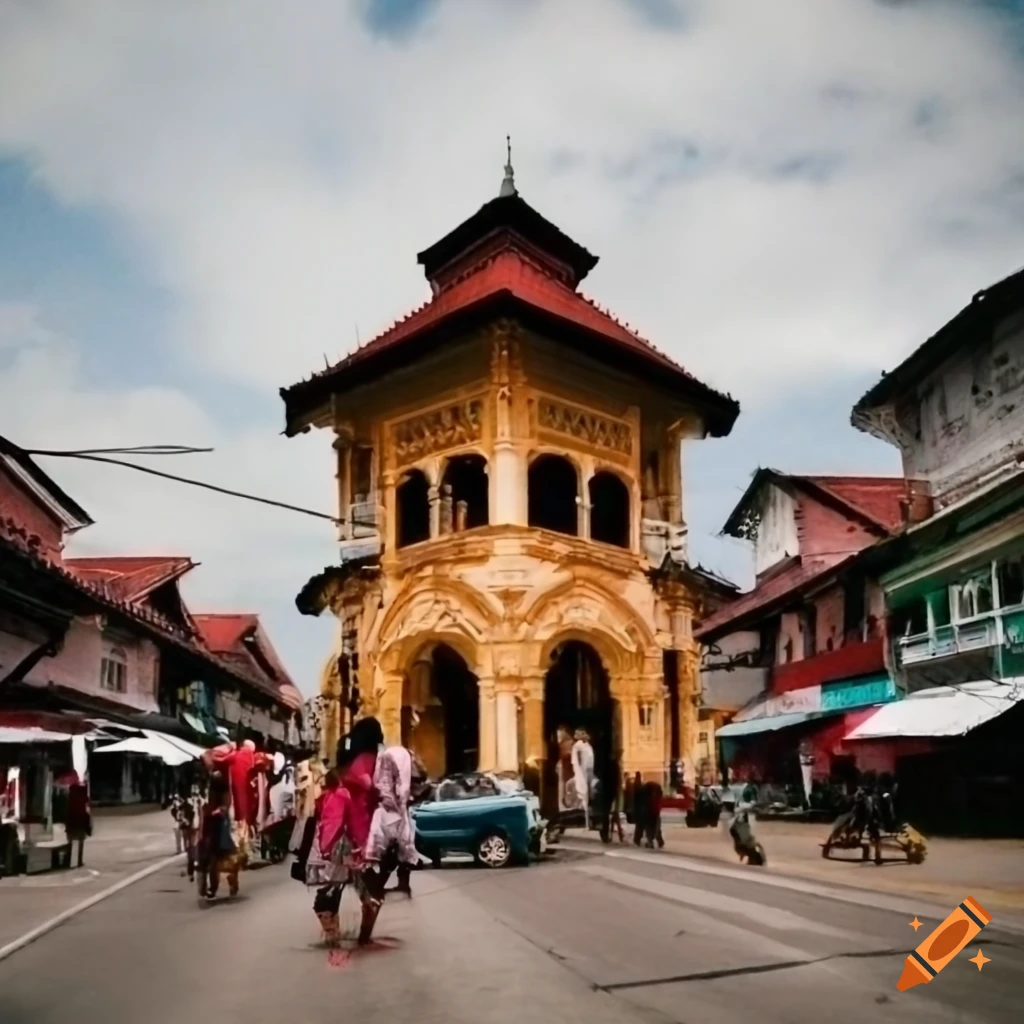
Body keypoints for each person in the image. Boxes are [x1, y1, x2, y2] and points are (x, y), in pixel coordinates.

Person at [336, 716, 385, 945]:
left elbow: (366, 783)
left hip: (355, 827)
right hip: (374, 828)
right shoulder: (377, 759)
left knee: (353, 880)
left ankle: (349, 931)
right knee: (371, 883)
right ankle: (365, 931)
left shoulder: (356, 761)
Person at [364, 745, 422, 899]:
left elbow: (383, 786)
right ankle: (402, 882)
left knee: (391, 848)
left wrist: (392, 803)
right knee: (401, 846)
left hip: (391, 810)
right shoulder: (406, 757)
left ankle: (379, 885)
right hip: (400, 809)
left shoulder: (387, 758)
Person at [198, 773, 240, 900]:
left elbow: (226, 807)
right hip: (211, 827)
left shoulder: (224, 790)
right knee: (212, 859)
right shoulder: (207, 789)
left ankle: (231, 883)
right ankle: (212, 887)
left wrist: (219, 811)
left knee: (226, 858)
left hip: (222, 827)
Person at [66, 776, 91, 868]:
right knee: (80, 842)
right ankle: (79, 861)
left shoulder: (71, 796)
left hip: (72, 822)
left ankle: (69, 861)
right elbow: (86, 809)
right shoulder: (82, 795)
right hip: (80, 822)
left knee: (71, 842)